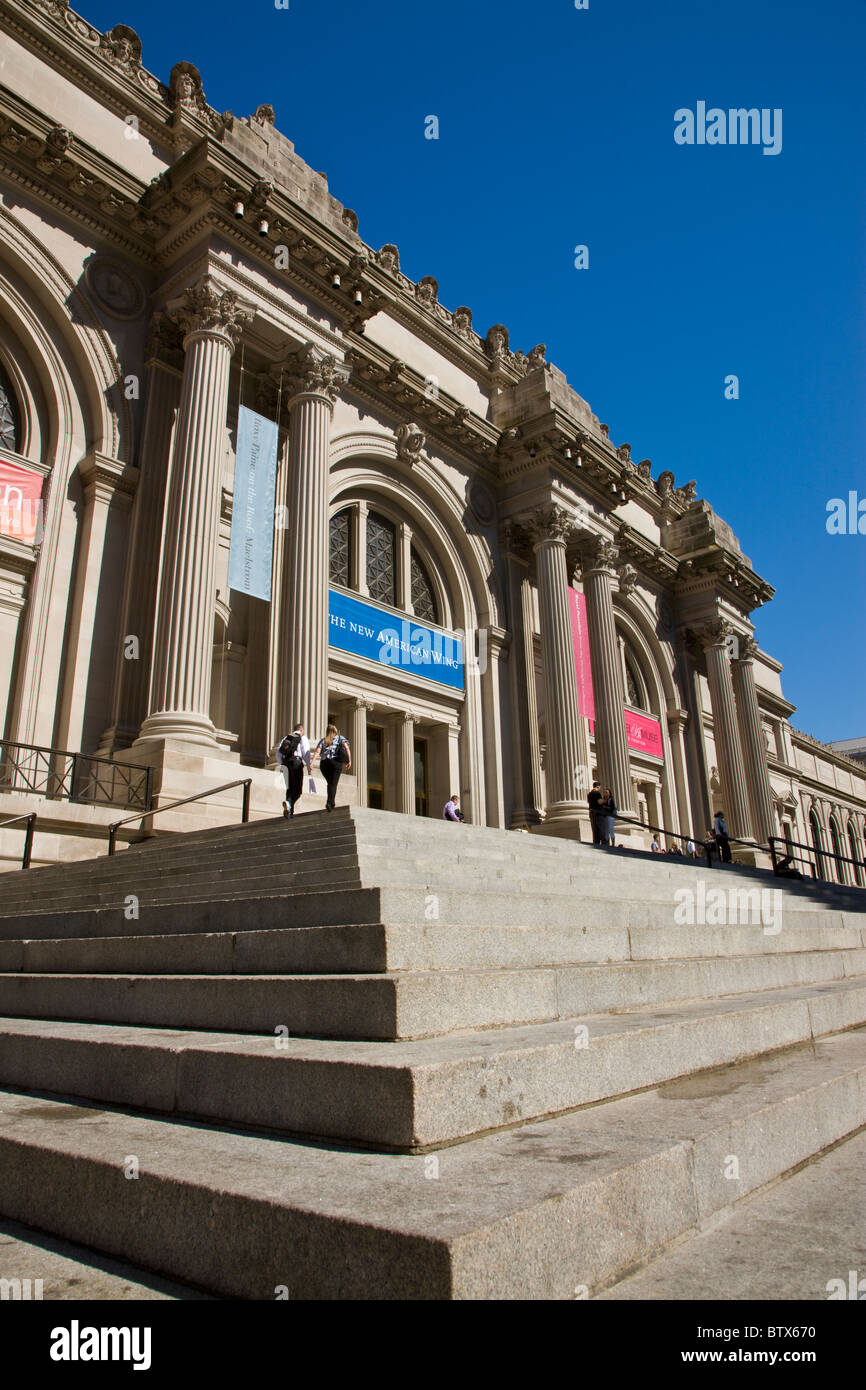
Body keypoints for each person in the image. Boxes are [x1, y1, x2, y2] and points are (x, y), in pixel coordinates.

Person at [311, 723, 351, 811]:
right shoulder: (340, 738)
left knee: (330, 783)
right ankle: (330, 803)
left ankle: (330, 802)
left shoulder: (323, 740)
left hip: (324, 763)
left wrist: (312, 763)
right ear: (335, 731)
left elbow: (317, 752)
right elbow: (346, 748)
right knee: (333, 784)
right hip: (335, 762)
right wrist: (349, 761)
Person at [276, 722, 311, 818]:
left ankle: (289, 811)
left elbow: (278, 753)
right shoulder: (302, 738)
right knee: (298, 789)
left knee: (290, 787)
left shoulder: (287, 737)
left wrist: (282, 764)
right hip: (296, 762)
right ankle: (289, 803)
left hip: (286, 763)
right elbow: (306, 753)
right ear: (301, 730)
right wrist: (309, 766)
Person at [588, 781, 604, 846]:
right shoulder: (597, 793)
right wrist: (604, 800)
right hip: (597, 813)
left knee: (594, 829)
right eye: (599, 787)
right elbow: (600, 802)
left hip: (591, 812)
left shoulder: (589, 794)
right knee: (599, 828)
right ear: (598, 787)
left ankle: (595, 842)